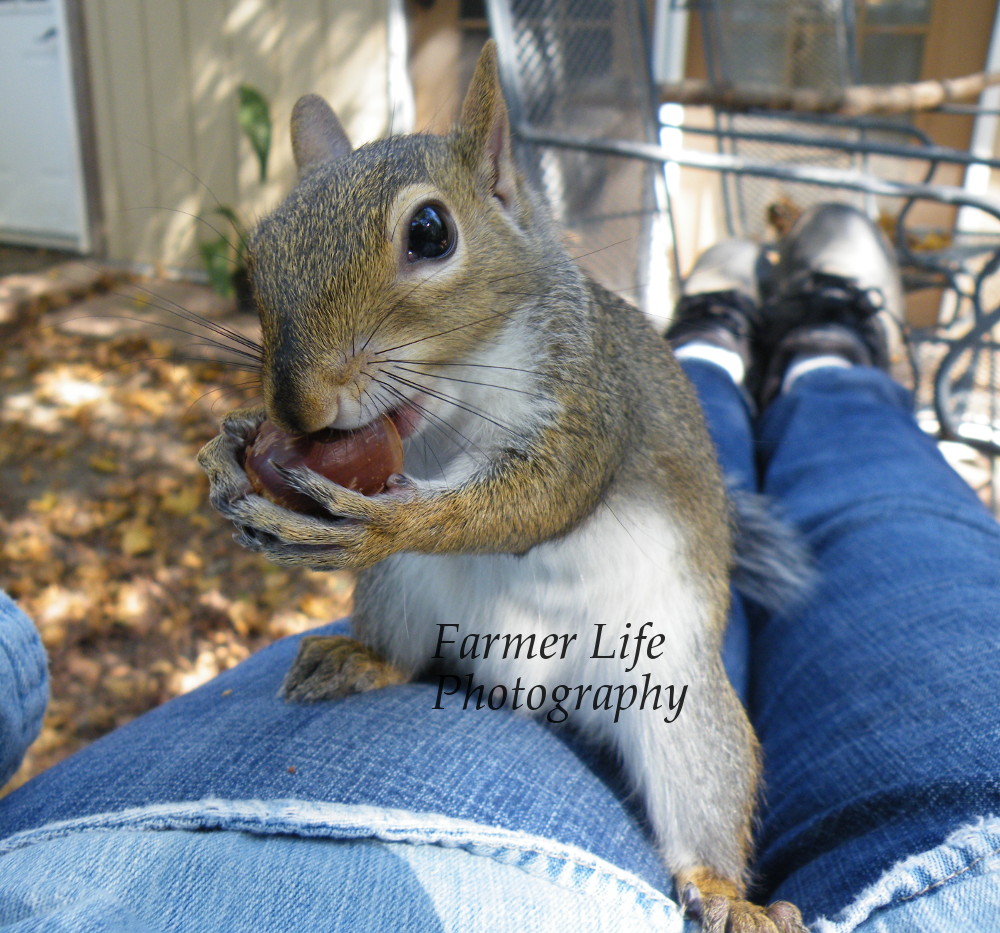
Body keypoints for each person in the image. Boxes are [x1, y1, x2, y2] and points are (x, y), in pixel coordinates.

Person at [1, 203, 998, 931]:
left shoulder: (544, 335)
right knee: (884, 509)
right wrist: (278, 476)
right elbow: (368, 460)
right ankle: (793, 355)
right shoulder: (400, 362)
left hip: (629, 610)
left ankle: (752, 347)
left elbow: (546, 496)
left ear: (490, 188)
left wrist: (390, 517)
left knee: (716, 619)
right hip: (468, 641)